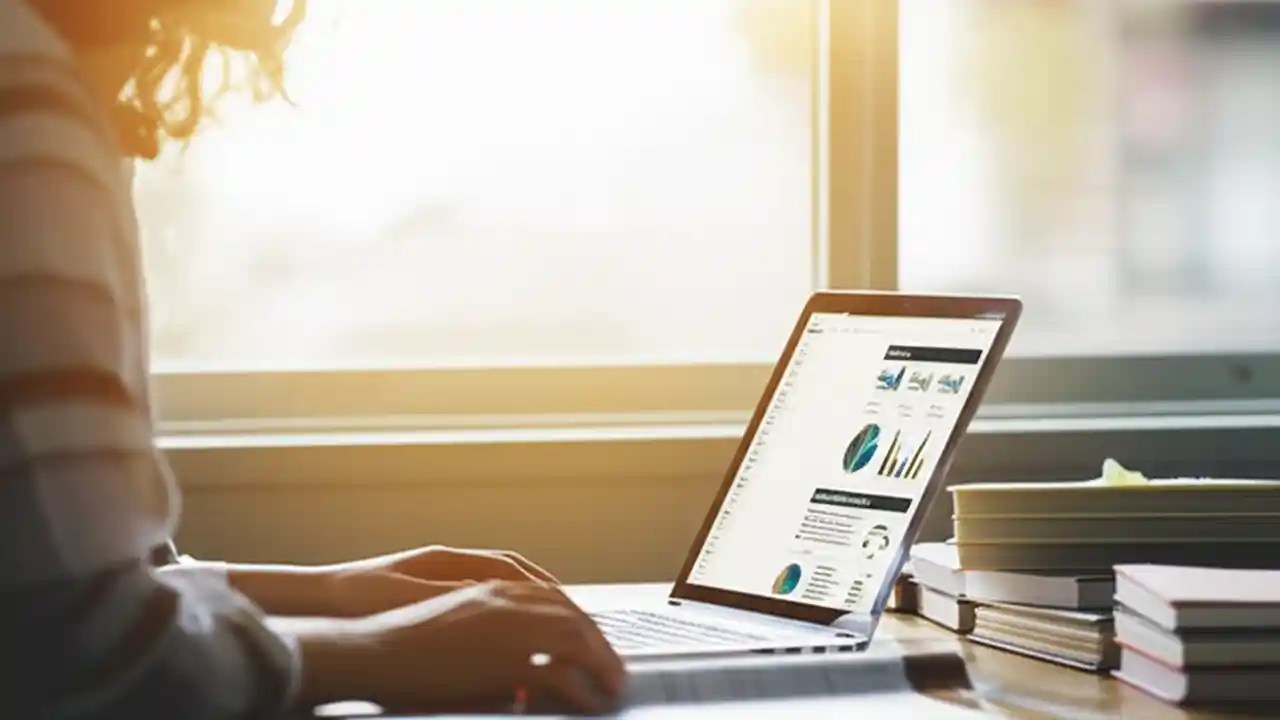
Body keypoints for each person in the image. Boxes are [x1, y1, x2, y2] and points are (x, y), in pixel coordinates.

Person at [0, 0, 625, 716]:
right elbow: (85, 652)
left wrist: (338, 594)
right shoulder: (21, 100)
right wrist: (383, 652)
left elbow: (65, 581)